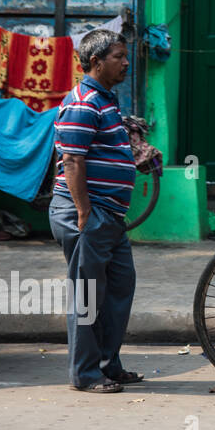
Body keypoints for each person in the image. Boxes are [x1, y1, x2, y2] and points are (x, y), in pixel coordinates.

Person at [49, 29, 139, 393]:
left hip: (108, 217)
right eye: (118, 56)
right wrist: (84, 213)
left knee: (119, 286)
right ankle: (85, 374)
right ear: (96, 62)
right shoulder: (84, 100)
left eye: (125, 55)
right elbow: (72, 160)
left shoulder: (106, 100)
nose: (126, 62)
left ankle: (107, 364)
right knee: (87, 294)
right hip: (87, 214)